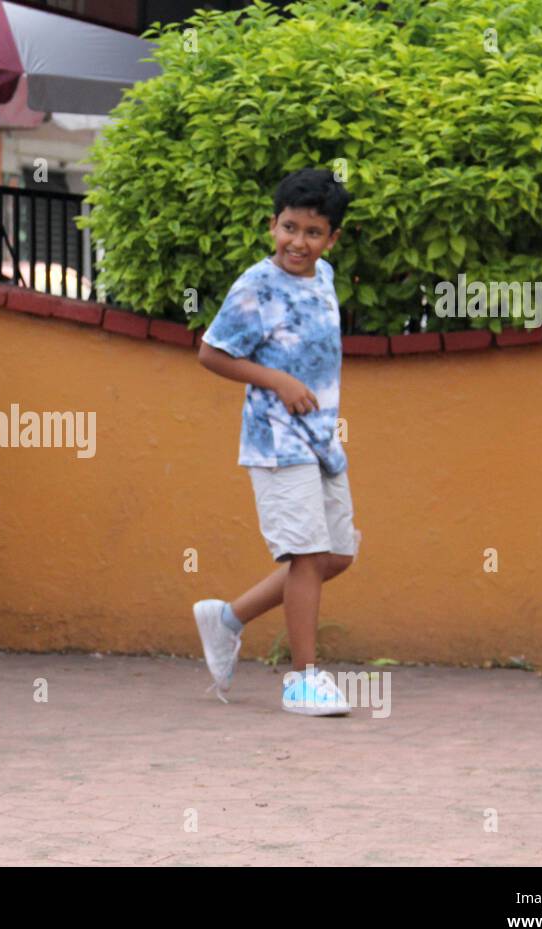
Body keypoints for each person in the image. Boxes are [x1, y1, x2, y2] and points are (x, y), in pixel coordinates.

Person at [193, 167, 360, 716]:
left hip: (322, 442)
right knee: (307, 554)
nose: (299, 242)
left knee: (336, 555)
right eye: (290, 227)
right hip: (275, 441)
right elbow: (212, 353)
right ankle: (303, 679)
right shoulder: (257, 285)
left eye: (314, 232)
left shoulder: (326, 276)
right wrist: (278, 381)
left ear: (331, 239)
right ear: (273, 225)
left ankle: (228, 618)